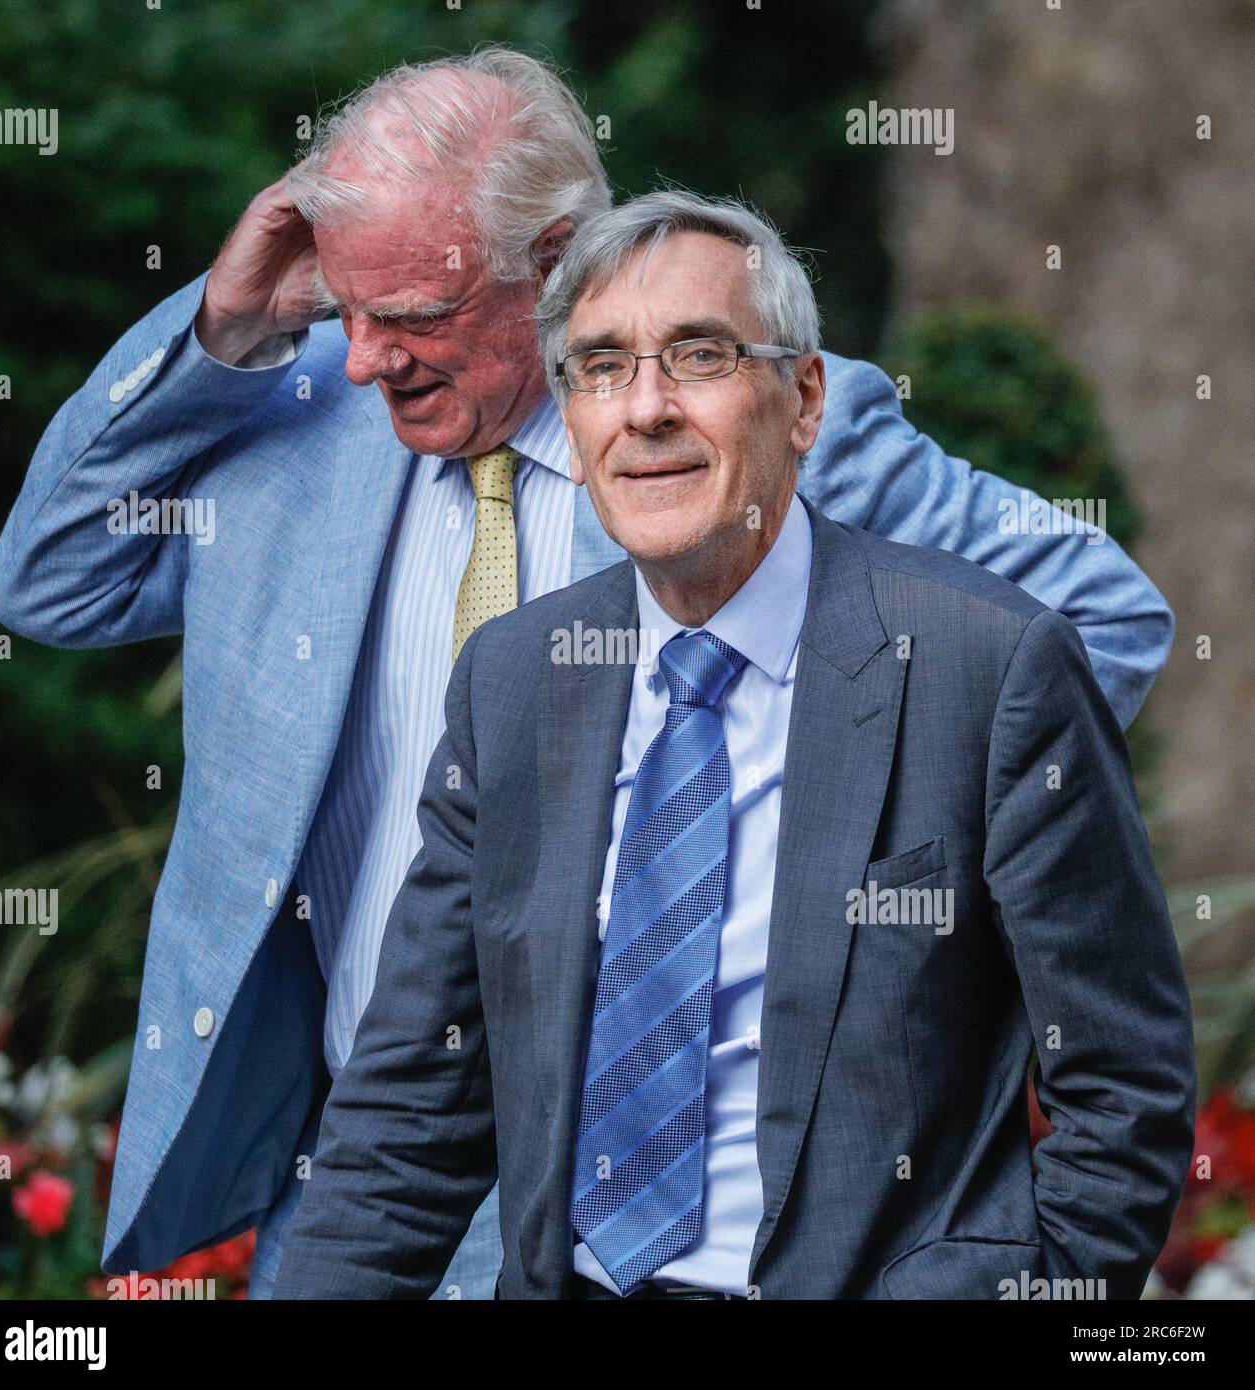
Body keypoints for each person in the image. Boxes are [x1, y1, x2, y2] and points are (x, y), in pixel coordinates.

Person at [0, 51, 1175, 1300]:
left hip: (724, 1196)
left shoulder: (749, 427)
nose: (368, 358)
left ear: (550, 262)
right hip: (370, 1169)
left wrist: (883, 829)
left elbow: (1094, 618)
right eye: (352, 308)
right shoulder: (285, 412)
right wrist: (225, 326)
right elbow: (51, 581)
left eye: (416, 315)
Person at [271, 191, 1195, 1301]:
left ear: (803, 399)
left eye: (698, 357)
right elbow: (414, 1102)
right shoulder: (516, 682)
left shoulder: (986, 667)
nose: (645, 408)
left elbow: (1124, 1086)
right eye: (601, 367)